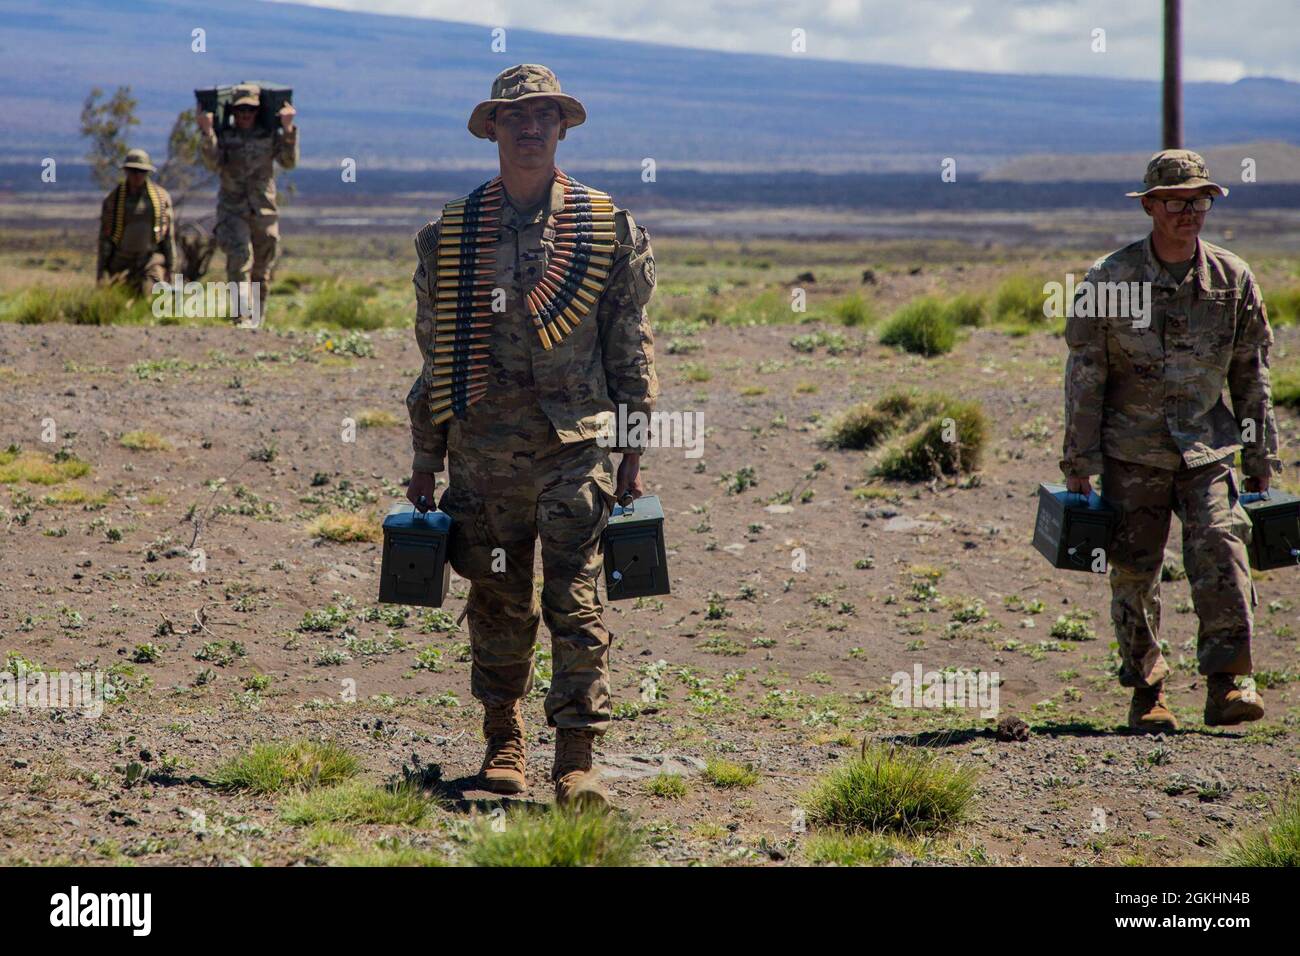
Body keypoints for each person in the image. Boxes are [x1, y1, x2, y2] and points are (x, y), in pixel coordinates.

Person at [404, 64, 658, 806]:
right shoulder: (448, 235)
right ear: (493, 130)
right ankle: (503, 742)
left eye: (543, 115)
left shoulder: (607, 228)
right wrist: (424, 459)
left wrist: (635, 450)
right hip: (479, 454)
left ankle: (577, 758)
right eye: (515, 117)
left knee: (576, 604)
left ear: (562, 126)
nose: (529, 128)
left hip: (573, 448)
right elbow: (432, 356)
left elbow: (630, 348)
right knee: (495, 600)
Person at [1061, 149, 1277, 732]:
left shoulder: (1233, 278)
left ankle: (1229, 681)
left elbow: (1250, 372)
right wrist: (1078, 459)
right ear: (1151, 207)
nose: (1191, 211)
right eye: (1178, 201)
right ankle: (1147, 691)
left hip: (1208, 450)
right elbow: (1086, 374)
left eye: (1200, 199)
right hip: (1132, 454)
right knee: (1134, 572)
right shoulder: (1110, 279)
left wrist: (1260, 454)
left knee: (1223, 551)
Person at [198, 84, 298, 320]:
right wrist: (207, 132)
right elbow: (212, 163)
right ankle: (240, 316)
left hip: (263, 211)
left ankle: (256, 321)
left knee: (261, 269)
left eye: (250, 110)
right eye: (240, 110)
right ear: (233, 111)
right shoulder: (225, 137)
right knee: (240, 258)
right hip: (233, 210)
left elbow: (288, 162)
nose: (245, 115)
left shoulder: (268, 136)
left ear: (258, 111)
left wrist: (288, 129)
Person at [96, 149, 175, 295]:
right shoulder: (113, 200)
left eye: (141, 171)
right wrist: (101, 272)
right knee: (118, 301)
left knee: (149, 297)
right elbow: (104, 238)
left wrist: (171, 268)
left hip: (150, 260)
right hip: (120, 261)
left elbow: (168, 237)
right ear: (126, 171)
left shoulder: (161, 198)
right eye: (133, 171)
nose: (137, 176)